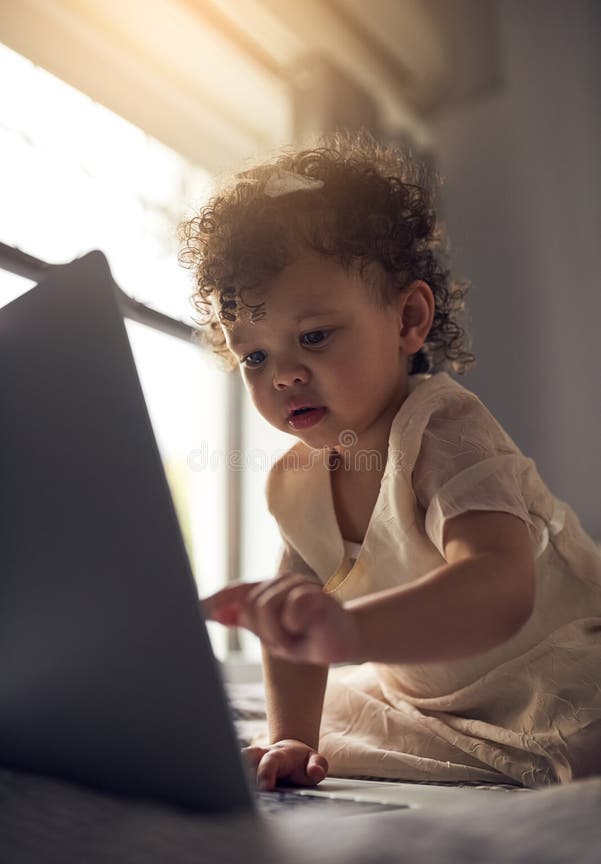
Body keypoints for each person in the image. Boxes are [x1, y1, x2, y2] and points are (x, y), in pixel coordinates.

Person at [178, 131, 601, 792]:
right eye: (252, 356)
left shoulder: (440, 428)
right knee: (319, 722)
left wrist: (350, 631)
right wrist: (292, 734)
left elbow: (499, 589)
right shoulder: (294, 482)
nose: (282, 375)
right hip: (431, 700)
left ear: (408, 319)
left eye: (313, 337)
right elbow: (294, 619)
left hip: (546, 676)